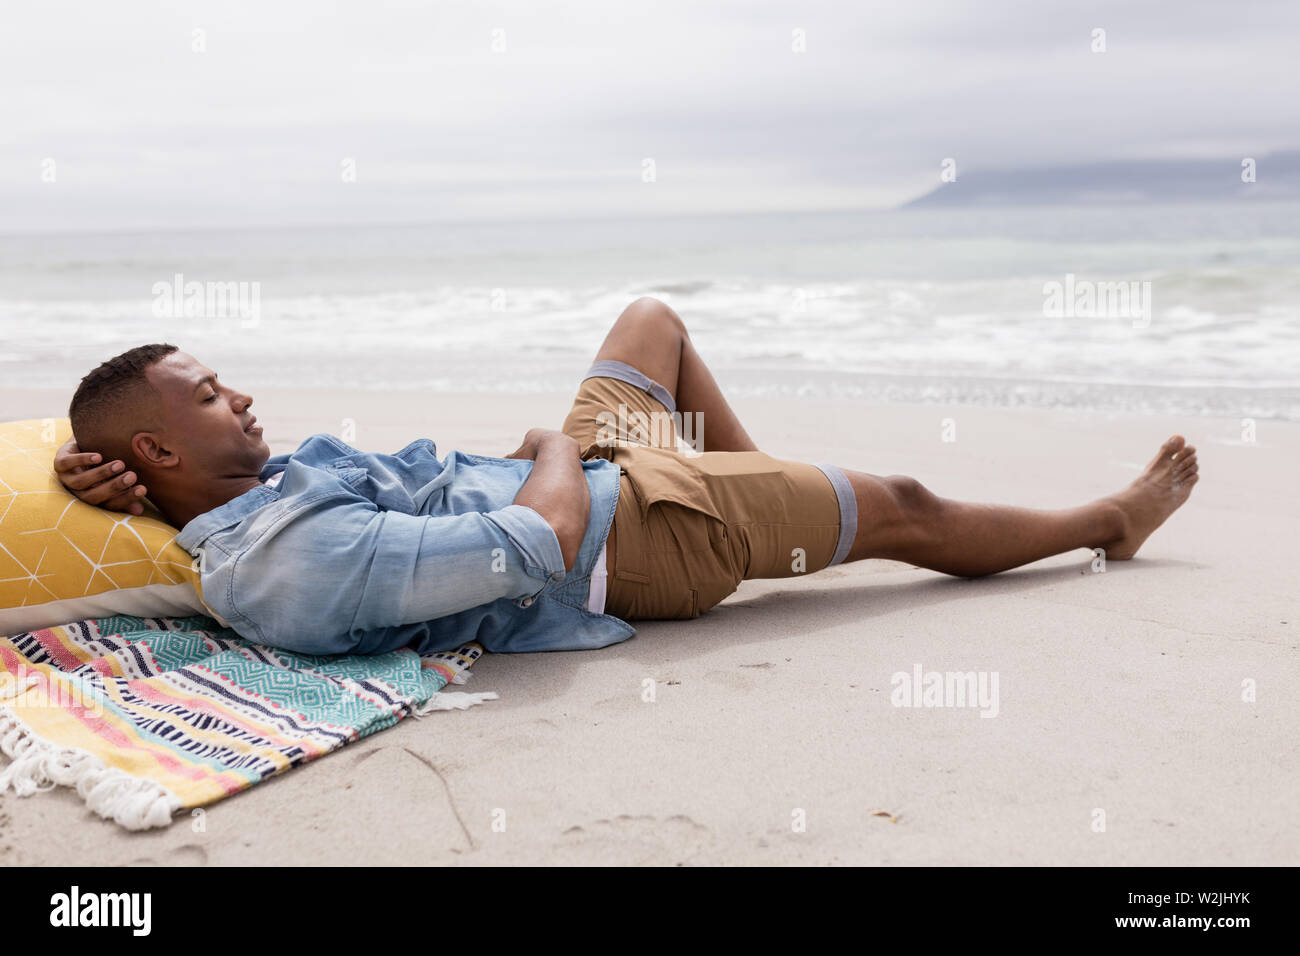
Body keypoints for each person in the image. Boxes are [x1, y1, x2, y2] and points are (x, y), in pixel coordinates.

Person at [53, 297, 1199, 655]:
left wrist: (90, 474)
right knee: (907, 504)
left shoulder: (248, 492)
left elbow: (139, 478)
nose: (240, 396)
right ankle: (1110, 519)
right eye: (209, 396)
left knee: (651, 319)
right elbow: (537, 545)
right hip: (629, 536)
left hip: (587, 476)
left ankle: (775, 483)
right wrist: (558, 449)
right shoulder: (294, 564)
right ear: (160, 447)